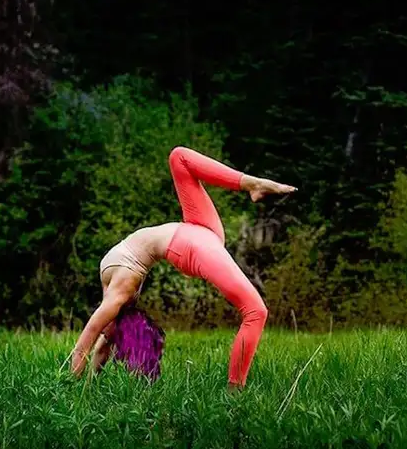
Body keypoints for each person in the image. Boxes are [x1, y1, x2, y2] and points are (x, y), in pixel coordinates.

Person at [69, 146, 296, 390]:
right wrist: (78, 384)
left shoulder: (115, 292)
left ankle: (252, 183)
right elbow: (93, 341)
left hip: (197, 227)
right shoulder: (122, 292)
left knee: (179, 157)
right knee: (256, 311)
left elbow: (97, 338)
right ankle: (235, 392)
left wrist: (83, 381)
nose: (107, 334)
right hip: (192, 243)